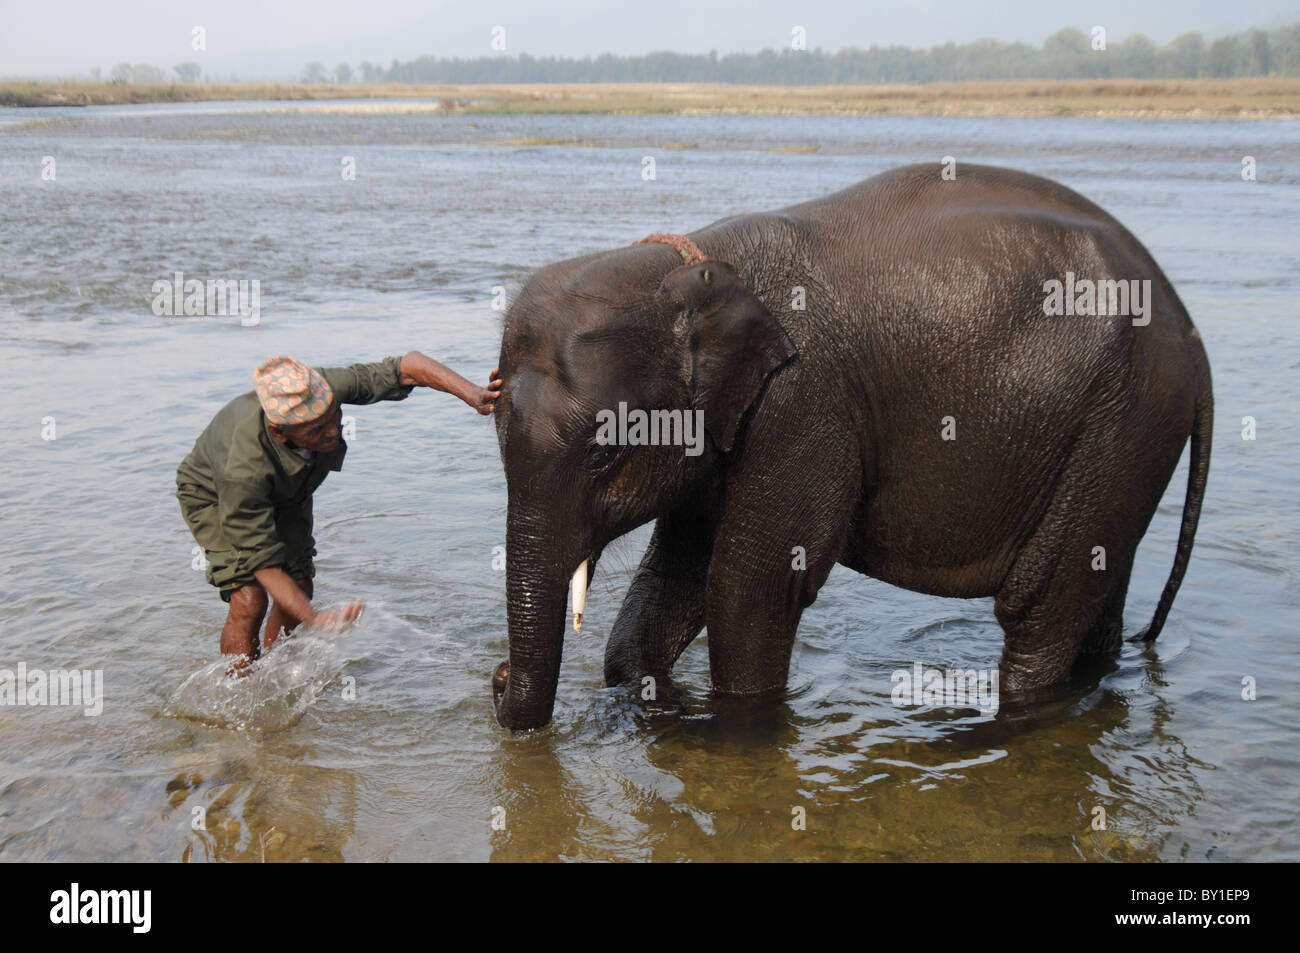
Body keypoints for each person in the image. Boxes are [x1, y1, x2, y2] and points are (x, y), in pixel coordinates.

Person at [176, 352, 500, 673]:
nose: (332, 432)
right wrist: (314, 619)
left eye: (335, 417)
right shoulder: (243, 472)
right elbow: (264, 566)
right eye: (316, 430)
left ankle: (276, 672)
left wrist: (473, 394)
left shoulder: (321, 389)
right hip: (214, 496)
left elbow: (408, 367)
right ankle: (239, 688)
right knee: (249, 598)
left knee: (300, 585)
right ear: (280, 433)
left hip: (289, 491)